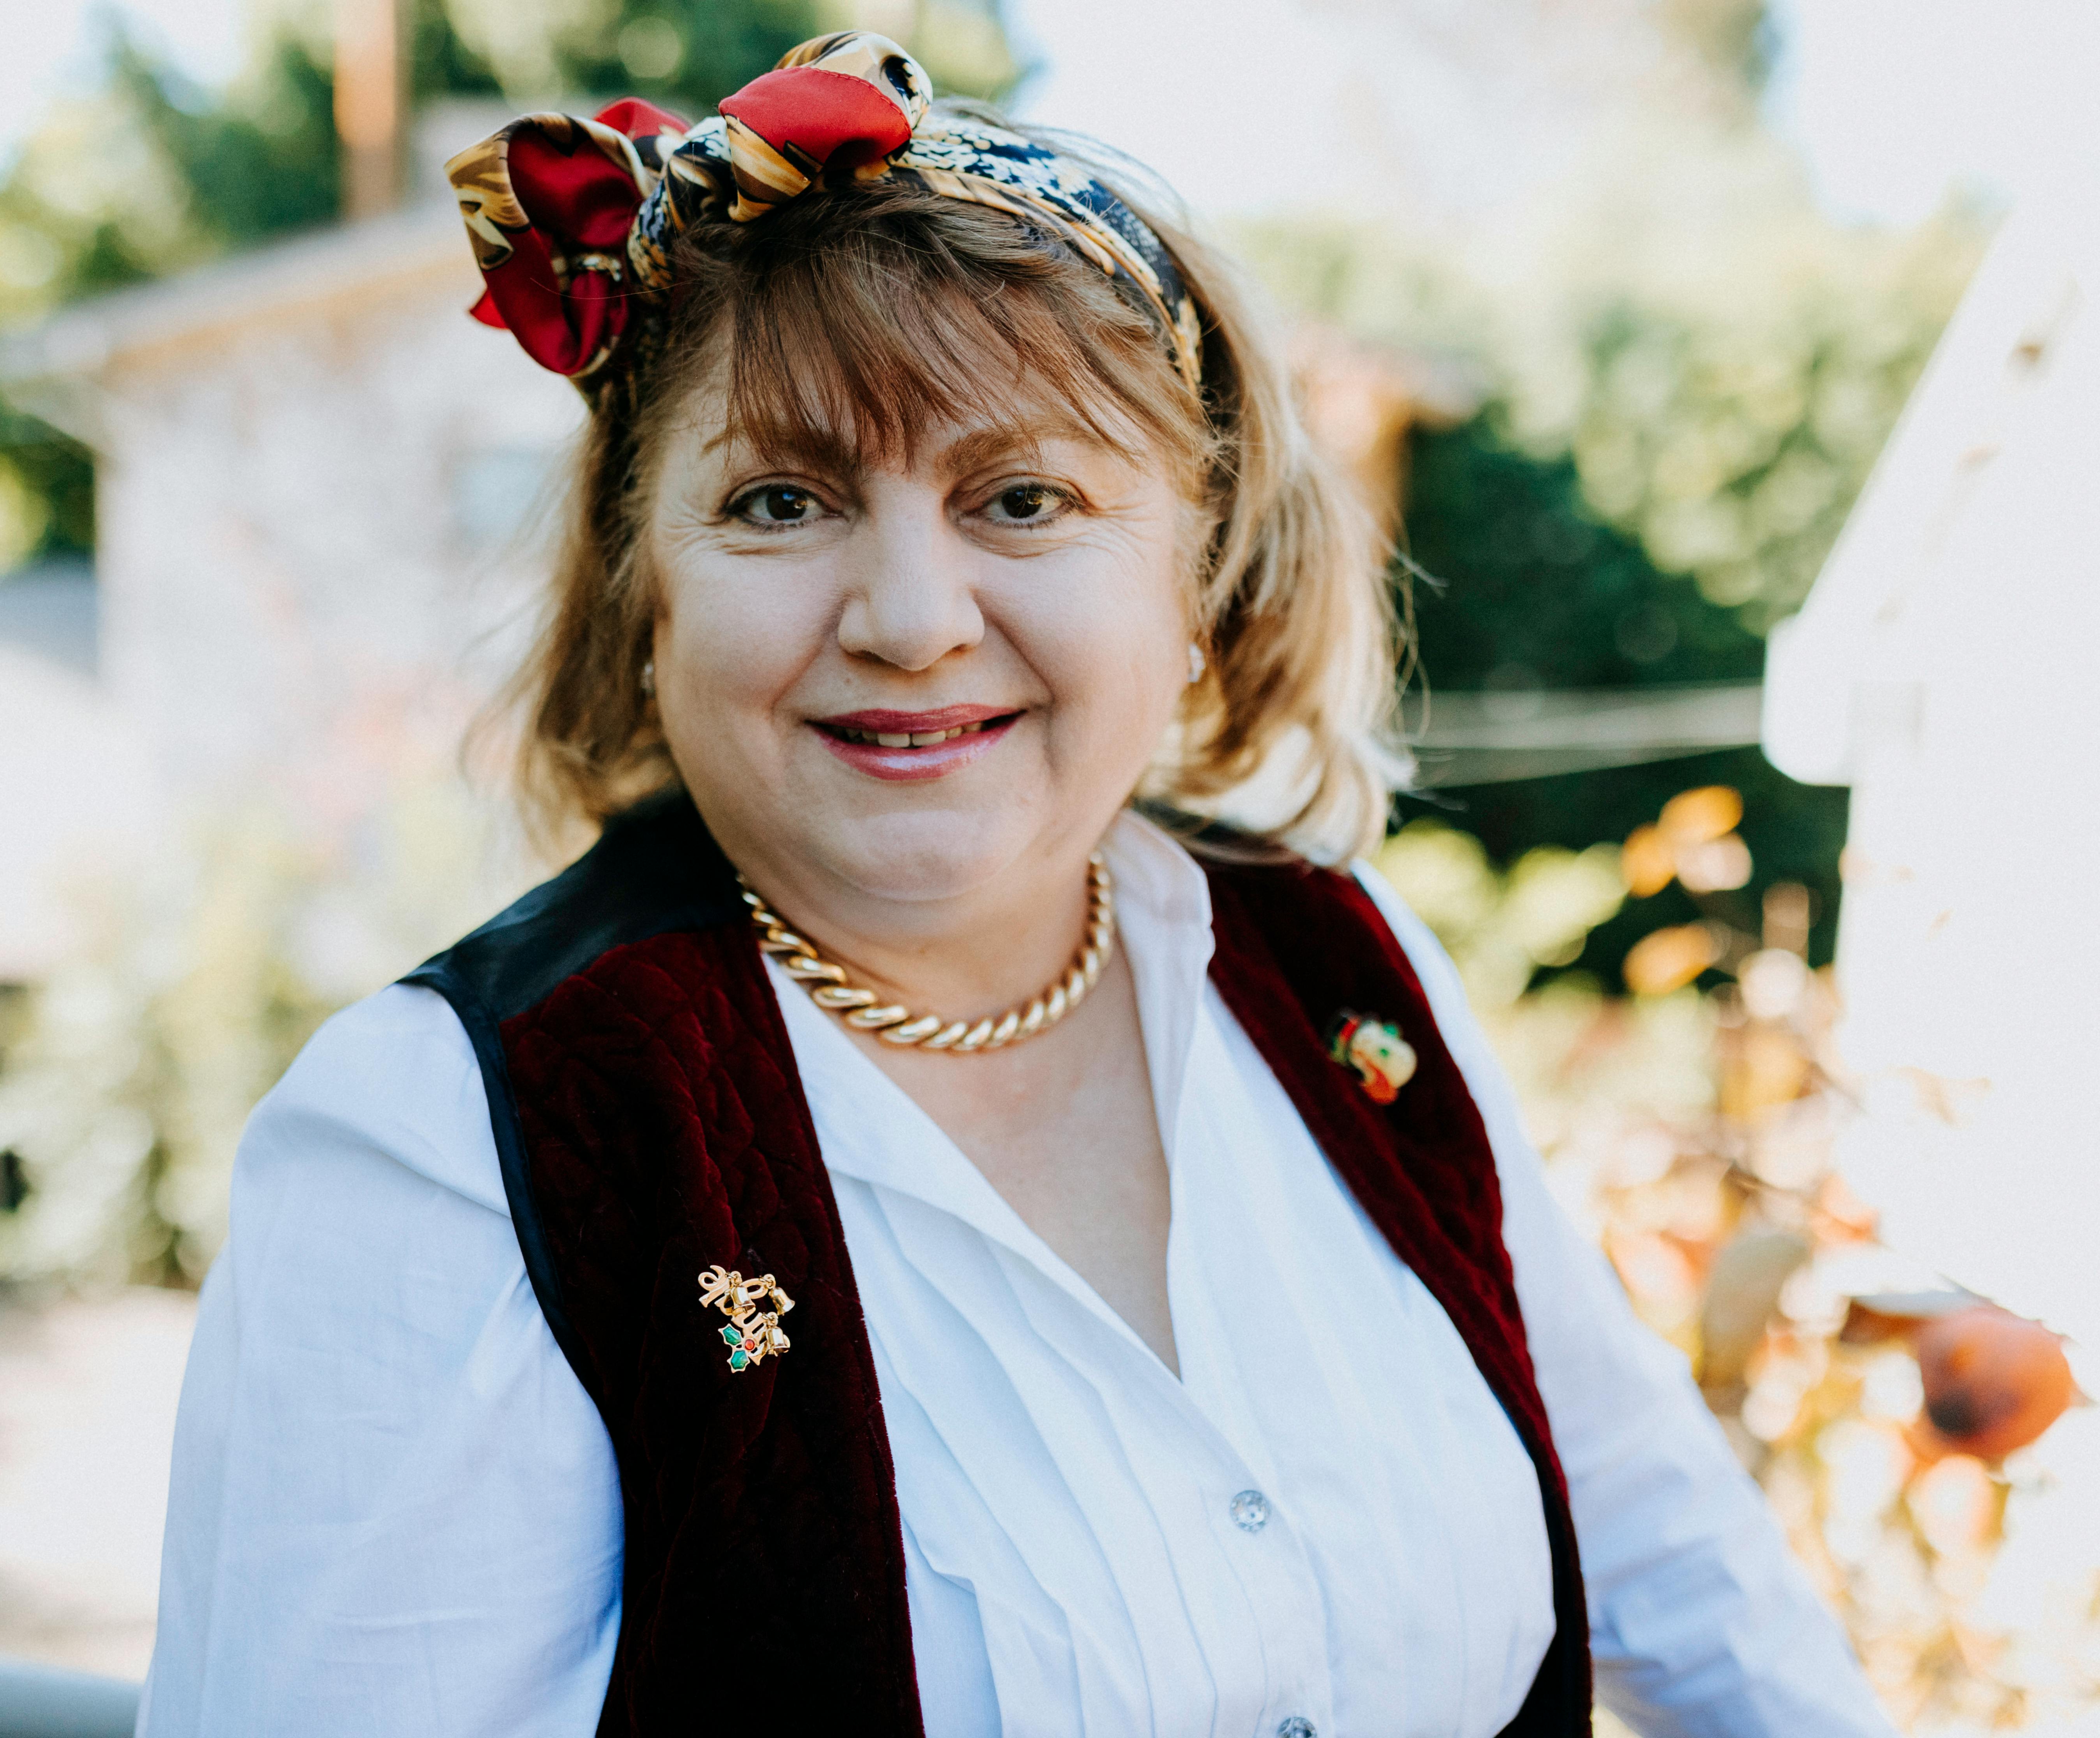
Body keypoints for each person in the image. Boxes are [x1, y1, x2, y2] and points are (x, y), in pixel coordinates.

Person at [138, 33, 1896, 1738]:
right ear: (642, 588)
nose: (912, 619)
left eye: (1025, 498)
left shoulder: (1346, 973)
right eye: (779, 502)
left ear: (1199, 577)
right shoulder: (447, 1140)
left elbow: (1668, 1548)